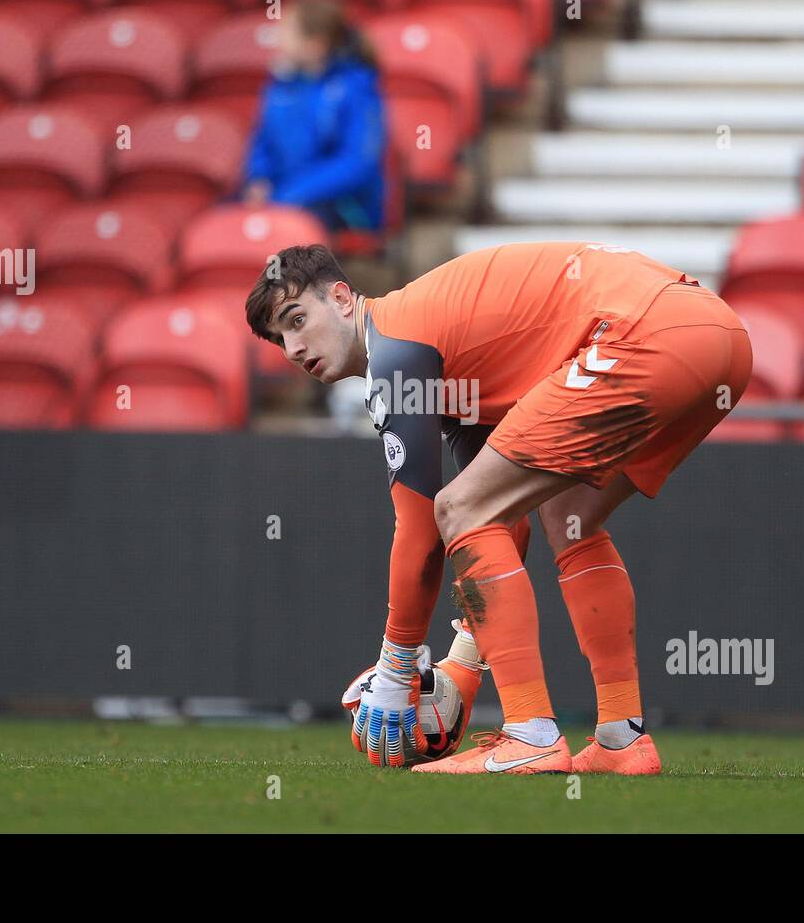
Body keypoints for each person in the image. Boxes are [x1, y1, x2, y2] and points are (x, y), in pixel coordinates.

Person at [245, 242, 753, 775]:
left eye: (297, 319)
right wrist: (464, 662)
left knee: (458, 508)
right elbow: (505, 521)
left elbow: (423, 529)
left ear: (344, 298)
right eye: (281, 338)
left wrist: (398, 667)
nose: (293, 347)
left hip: (648, 333)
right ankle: (621, 739)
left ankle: (531, 734)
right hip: (720, 339)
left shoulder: (395, 348)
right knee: (568, 517)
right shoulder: (439, 356)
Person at [240, 0, 386, 233]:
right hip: (282, 197)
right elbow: (262, 141)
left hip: (341, 206)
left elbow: (358, 162)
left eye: (287, 33)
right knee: (227, 221)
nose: (278, 41)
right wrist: (259, 178)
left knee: (290, 229)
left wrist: (293, 194)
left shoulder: (356, 89)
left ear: (315, 45)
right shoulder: (279, 86)